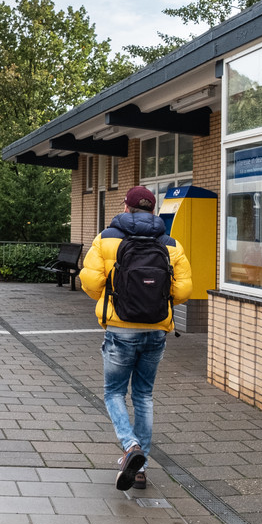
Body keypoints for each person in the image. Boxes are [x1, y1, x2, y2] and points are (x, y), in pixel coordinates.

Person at [79, 186, 192, 491]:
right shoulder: (171, 244)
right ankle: (141, 470)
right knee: (143, 395)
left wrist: (112, 297)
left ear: (126, 208)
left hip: (120, 328)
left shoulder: (106, 239)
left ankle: (131, 447)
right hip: (156, 329)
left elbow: (89, 281)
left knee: (114, 393)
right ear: (153, 211)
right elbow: (182, 291)